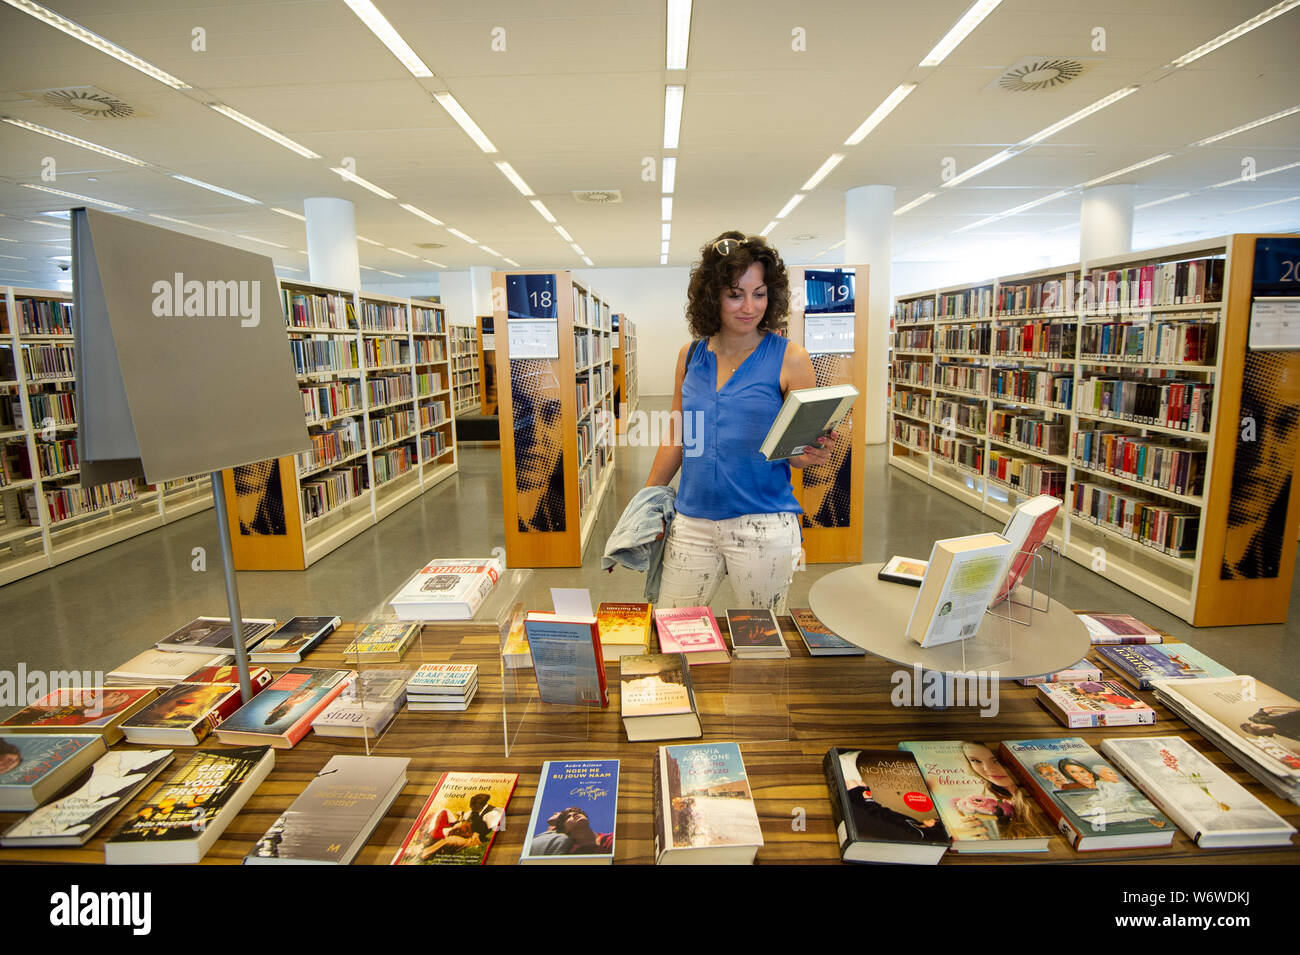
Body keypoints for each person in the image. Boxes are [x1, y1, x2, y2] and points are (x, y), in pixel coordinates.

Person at [644, 232, 834, 612]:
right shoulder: (690, 356)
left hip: (763, 524)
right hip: (692, 521)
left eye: (759, 294)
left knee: (760, 637)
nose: (750, 307)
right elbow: (679, 435)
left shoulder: (791, 359)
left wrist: (810, 453)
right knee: (672, 627)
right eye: (735, 294)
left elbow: (796, 455)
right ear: (712, 297)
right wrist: (646, 503)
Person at [952, 741, 1053, 841]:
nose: (988, 769)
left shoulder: (1043, 796)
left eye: (997, 760)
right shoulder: (986, 802)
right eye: (975, 761)